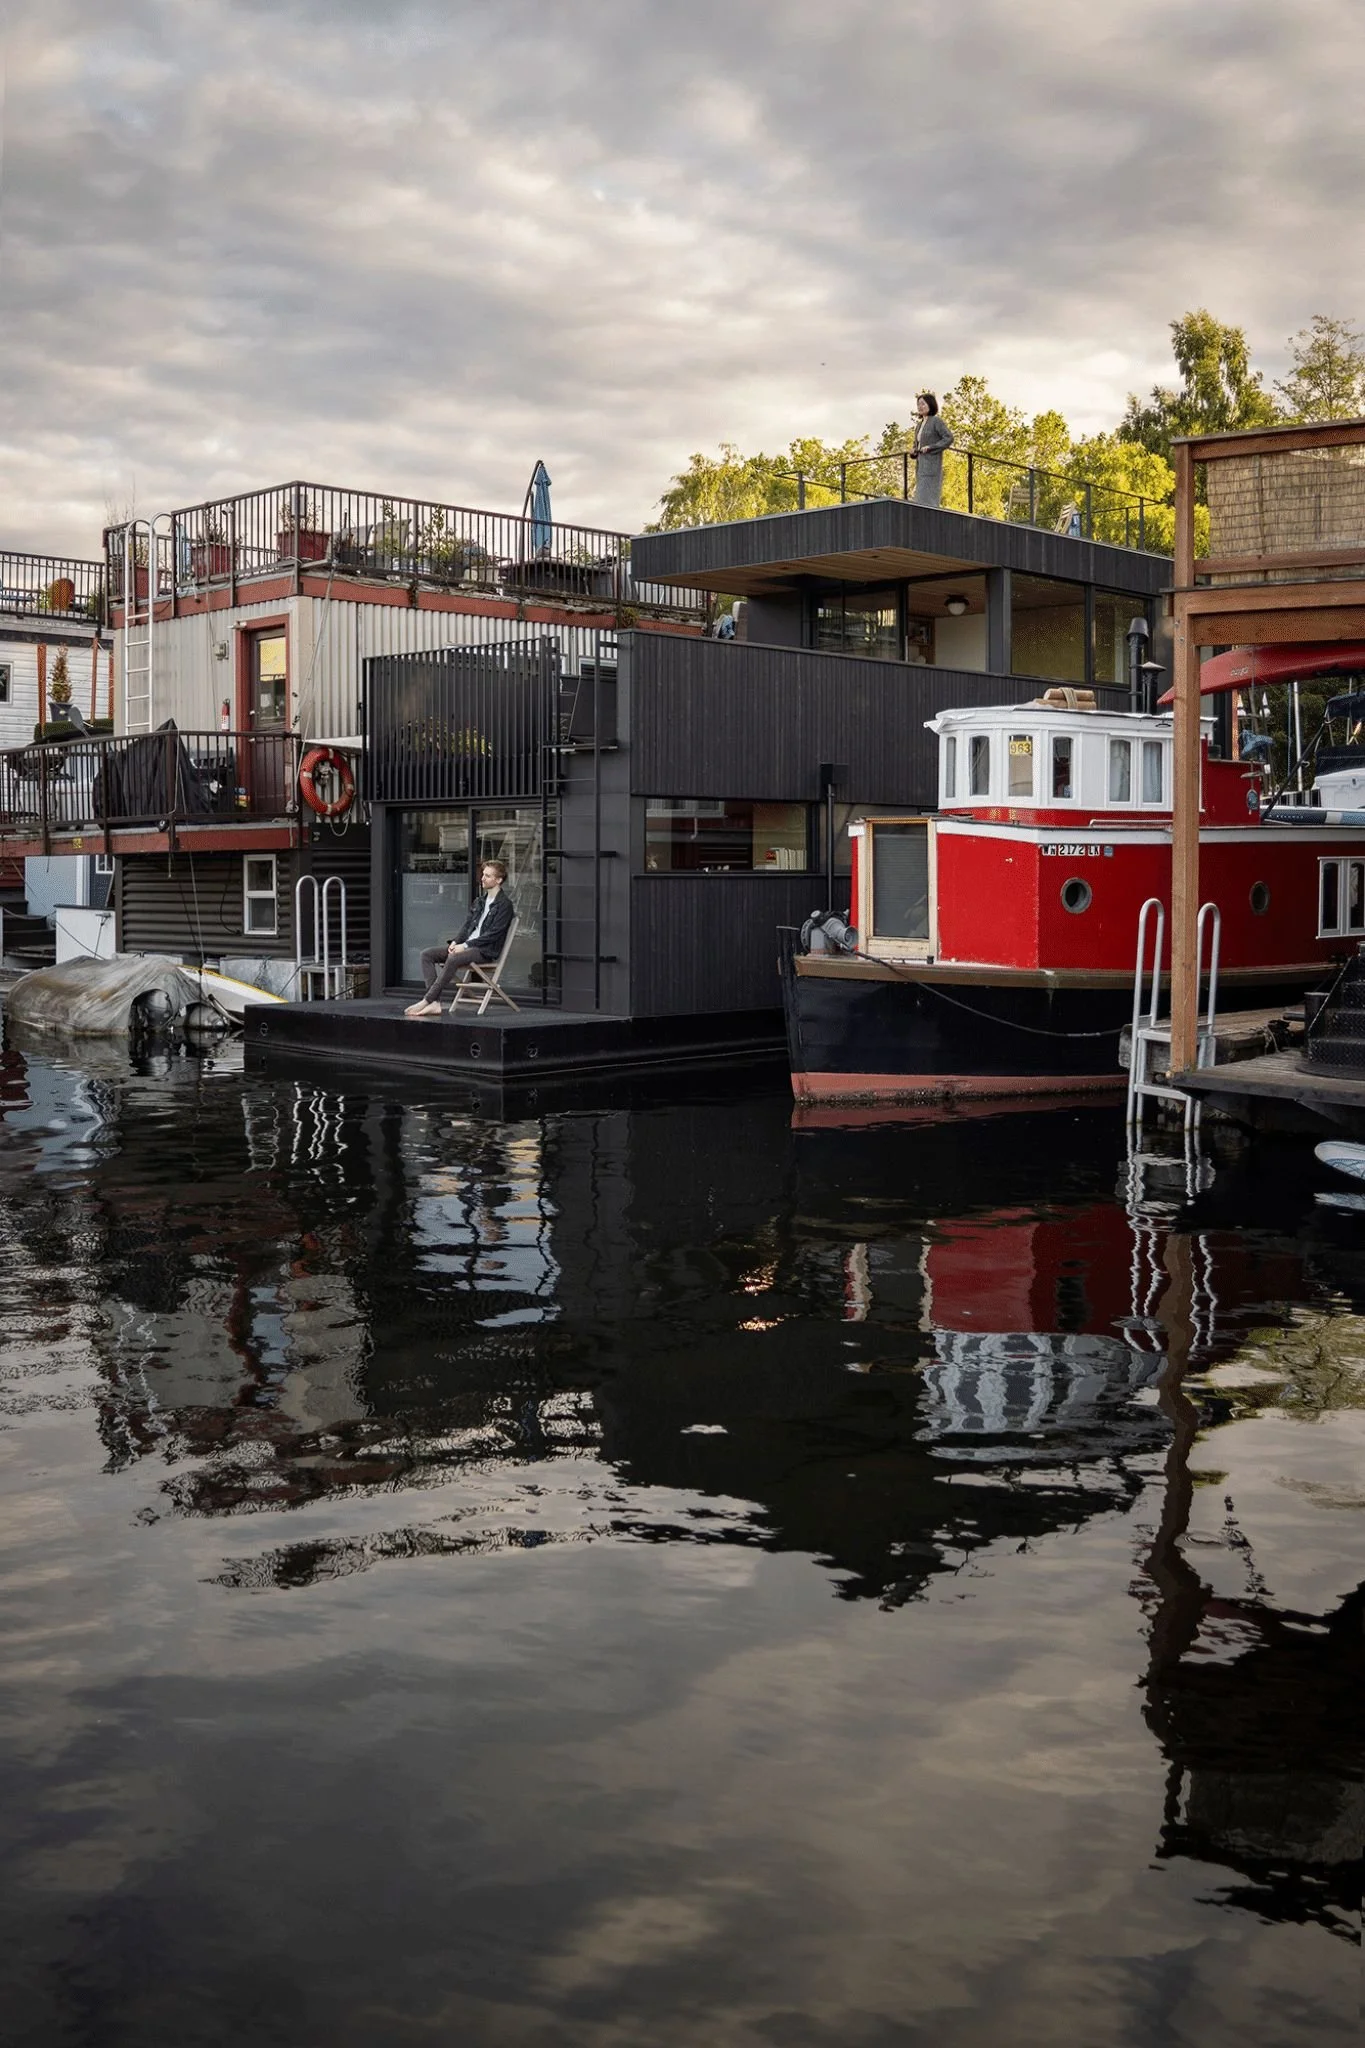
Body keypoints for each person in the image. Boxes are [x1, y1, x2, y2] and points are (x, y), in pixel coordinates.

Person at [405, 859, 515, 1017]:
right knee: (427, 954)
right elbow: (466, 926)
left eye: (488, 876)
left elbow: (493, 935)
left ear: (499, 880)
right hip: (466, 946)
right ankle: (435, 1003)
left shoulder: (505, 905)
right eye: (483, 874)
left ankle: (427, 1000)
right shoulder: (480, 901)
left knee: (454, 958)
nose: (482, 878)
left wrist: (465, 946)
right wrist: (456, 941)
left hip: (485, 951)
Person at [910, 392, 954, 508]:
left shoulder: (936, 421)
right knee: (919, 498)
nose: (920, 407)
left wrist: (931, 447)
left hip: (932, 465)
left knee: (928, 498)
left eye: (923, 404)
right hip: (920, 466)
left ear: (930, 405)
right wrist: (914, 451)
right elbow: (917, 445)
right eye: (918, 404)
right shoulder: (919, 425)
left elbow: (948, 438)